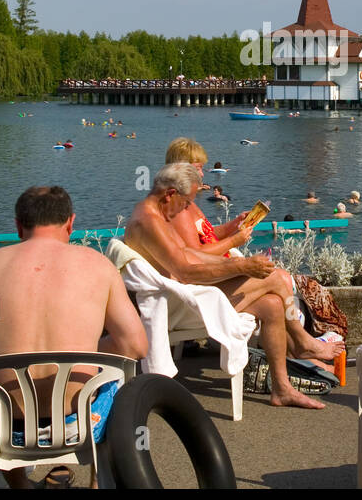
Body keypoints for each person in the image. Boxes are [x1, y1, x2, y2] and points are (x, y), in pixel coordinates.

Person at [0, 186, 147, 488]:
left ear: (18, 225)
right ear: (70, 223)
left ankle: (17, 484)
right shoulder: (98, 266)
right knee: (112, 378)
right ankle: (97, 479)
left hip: (2, 425)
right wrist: (91, 351)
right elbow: (135, 346)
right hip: (79, 421)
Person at [124, 164, 340, 410]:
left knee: (272, 305)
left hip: (183, 295)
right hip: (180, 304)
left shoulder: (154, 214)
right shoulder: (149, 222)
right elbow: (185, 270)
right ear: (171, 194)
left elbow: (188, 254)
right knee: (277, 279)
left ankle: (282, 389)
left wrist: (237, 262)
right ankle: (302, 341)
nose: (186, 208)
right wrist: (242, 267)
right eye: (186, 202)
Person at [163, 138, 254, 255]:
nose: (202, 174)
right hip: (211, 269)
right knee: (279, 274)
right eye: (197, 168)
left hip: (219, 265)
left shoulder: (188, 203)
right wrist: (233, 241)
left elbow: (209, 235)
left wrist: (236, 223)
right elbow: (196, 255)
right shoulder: (176, 209)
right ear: (179, 170)